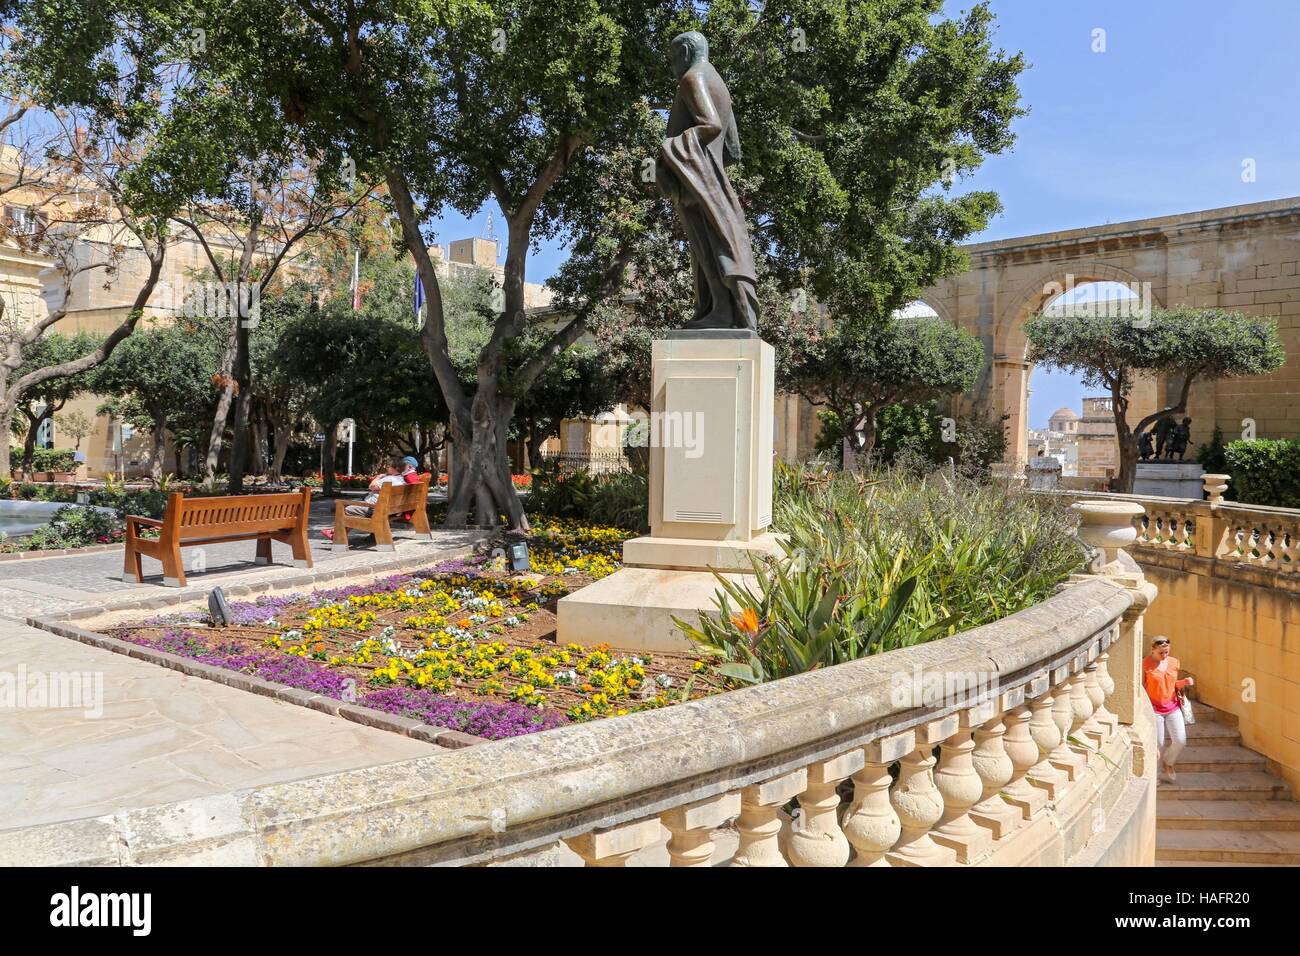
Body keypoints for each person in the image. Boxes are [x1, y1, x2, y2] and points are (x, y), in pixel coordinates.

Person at [1143, 636, 1194, 783]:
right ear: (1153, 650)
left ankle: (1168, 762)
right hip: (1154, 709)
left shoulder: (1174, 662)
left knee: (1180, 740)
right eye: (1161, 653)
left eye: (1166, 652)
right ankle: (1156, 776)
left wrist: (1184, 682)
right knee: (1157, 744)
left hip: (1172, 706)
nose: (1164, 656)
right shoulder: (1145, 664)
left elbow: (1172, 685)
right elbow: (1141, 687)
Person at [321, 458, 406, 541]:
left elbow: (371, 486)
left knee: (346, 509)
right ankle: (335, 532)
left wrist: (378, 477)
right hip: (391, 510)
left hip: (375, 509)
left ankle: (337, 535)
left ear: (395, 468)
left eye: (389, 466)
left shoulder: (389, 479)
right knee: (352, 508)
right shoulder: (401, 480)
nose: (387, 468)